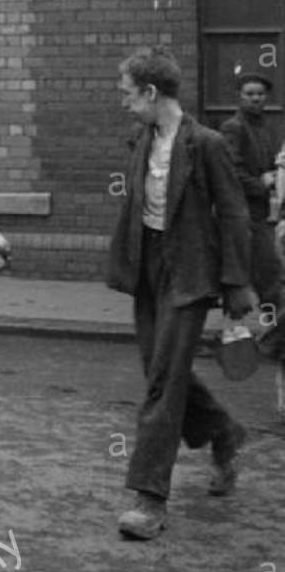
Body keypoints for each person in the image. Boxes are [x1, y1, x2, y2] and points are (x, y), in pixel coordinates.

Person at [109, 47, 254, 541]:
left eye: (129, 94)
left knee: (162, 384)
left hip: (190, 271)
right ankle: (223, 432)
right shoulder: (140, 138)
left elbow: (234, 213)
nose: (124, 103)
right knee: (159, 369)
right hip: (149, 267)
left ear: (151, 93)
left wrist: (237, 284)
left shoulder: (206, 143)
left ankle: (149, 499)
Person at [219, 73, 285, 362]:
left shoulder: (264, 127)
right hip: (242, 215)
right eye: (250, 94)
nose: (256, 98)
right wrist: (262, 182)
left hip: (259, 212)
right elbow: (230, 171)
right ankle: (271, 341)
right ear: (240, 96)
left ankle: (263, 336)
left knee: (263, 276)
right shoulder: (233, 128)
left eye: (260, 94)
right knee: (268, 276)